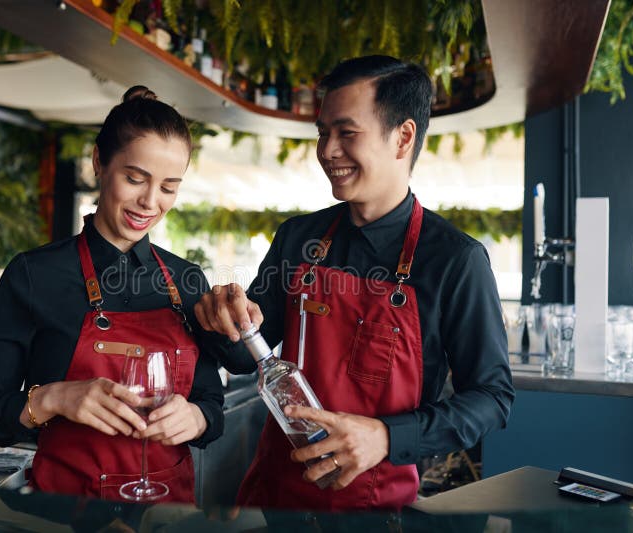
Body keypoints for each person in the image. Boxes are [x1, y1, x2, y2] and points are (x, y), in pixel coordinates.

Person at [194, 55, 515, 511]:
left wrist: (386, 436)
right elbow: (246, 355)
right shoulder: (298, 238)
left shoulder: (455, 260)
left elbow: (492, 398)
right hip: (275, 500)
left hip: (376, 509)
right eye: (323, 133)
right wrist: (221, 317)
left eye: (347, 133)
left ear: (403, 137)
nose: (327, 151)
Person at [0, 86, 245, 503]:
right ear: (98, 162)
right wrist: (55, 397)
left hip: (166, 518)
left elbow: (211, 402)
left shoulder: (186, 280)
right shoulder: (34, 274)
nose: (150, 202)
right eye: (135, 179)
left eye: (169, 187)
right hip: (64, 513)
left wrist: (197, 418)